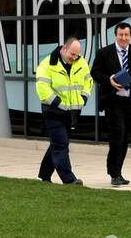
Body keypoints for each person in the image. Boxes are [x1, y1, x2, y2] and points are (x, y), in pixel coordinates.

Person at [91, 22, 131, 186]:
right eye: (121, 35)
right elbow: (95, 72)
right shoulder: (104, 53)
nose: (124, 38)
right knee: (117, 134)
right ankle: (114, 173)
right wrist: (109, 80)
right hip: (112, 101)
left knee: (124, 137)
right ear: (116, 35)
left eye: (127, 35)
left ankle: (117, 170)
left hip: (129, 101)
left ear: (130, 36)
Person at [36, 35, 93, 186]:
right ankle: (69, 179)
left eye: (77, 55)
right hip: (53, 112)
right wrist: (57, 102)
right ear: (64, 49)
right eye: (72, 54)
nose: (74, 58)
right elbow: (42, 87)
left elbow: (88, 81)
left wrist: (84, 98)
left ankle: (44, 175)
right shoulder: (47, 64)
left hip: (72, 113)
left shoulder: (81, 63)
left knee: (57, 143)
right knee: (61, 144)